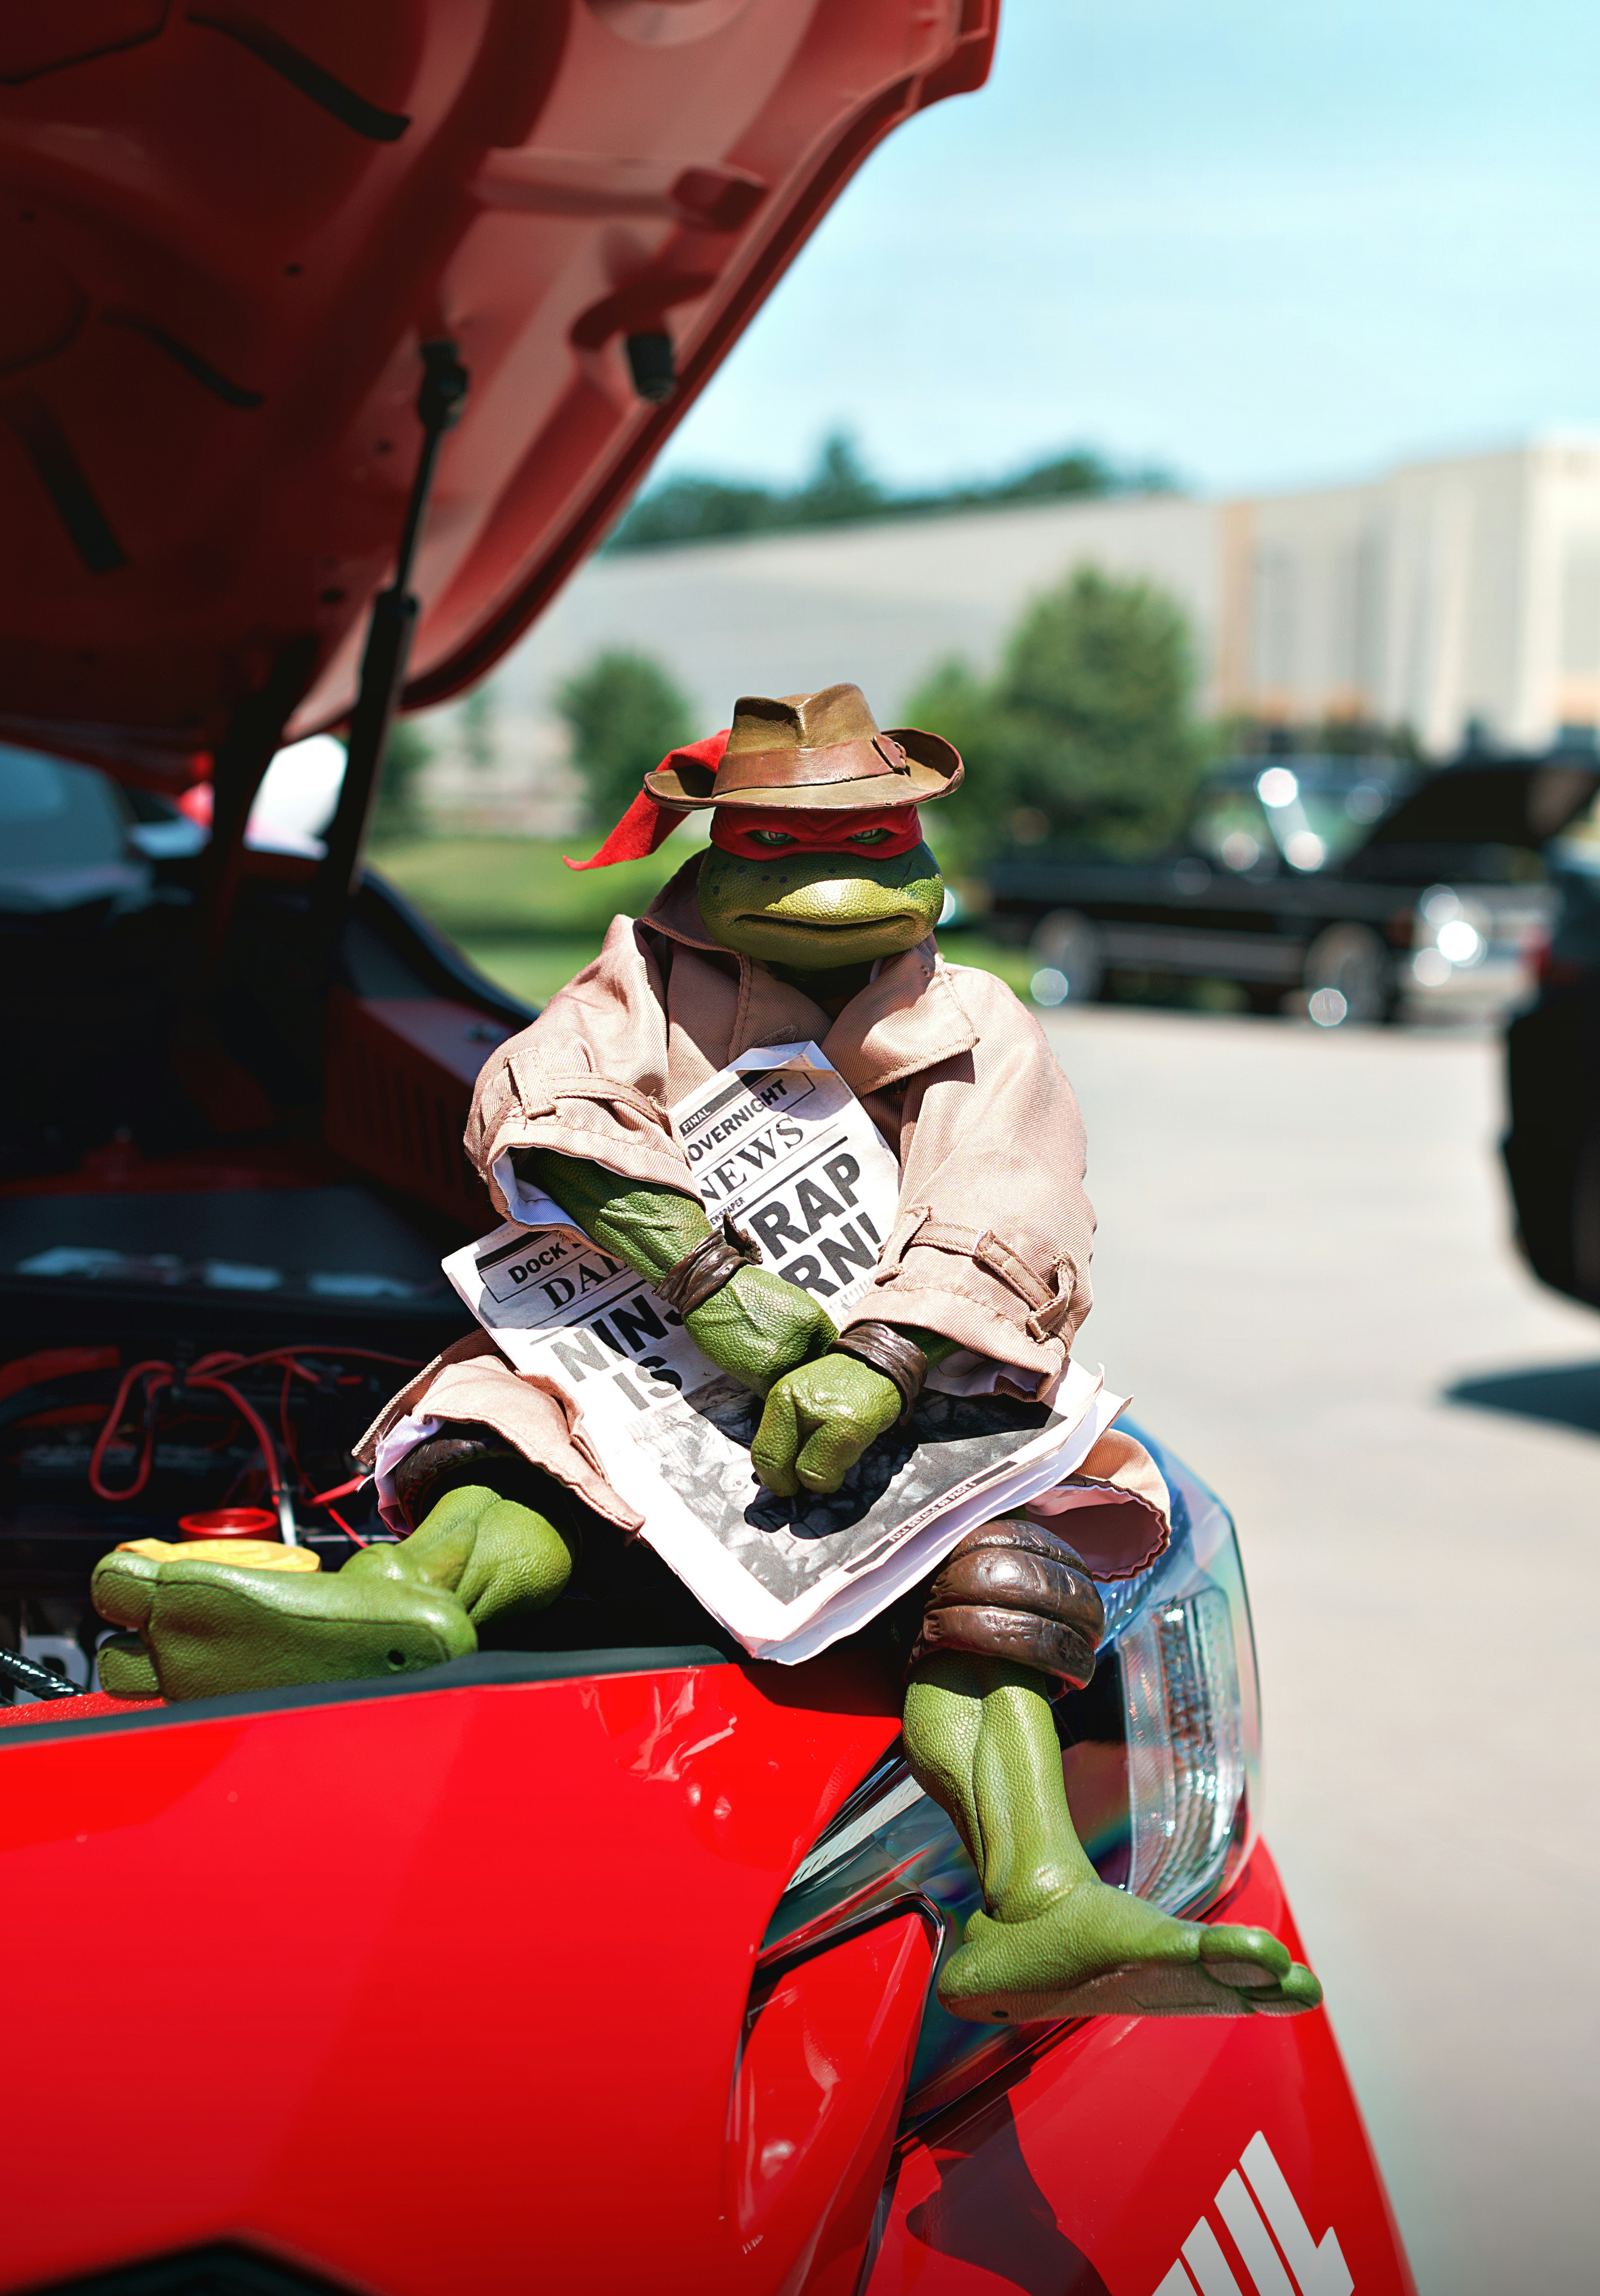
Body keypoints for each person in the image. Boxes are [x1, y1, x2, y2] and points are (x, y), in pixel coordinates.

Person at [95, 685, 1319, 2024]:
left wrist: (887, 1359)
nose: (841, 875)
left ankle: (1035, 1896)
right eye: (790, 846)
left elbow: (1010, 1207)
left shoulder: (983, 1026)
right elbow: (541, 1101)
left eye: (875, 835)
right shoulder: (644, 982)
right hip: (653, 1379)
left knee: (1006, 1582)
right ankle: (395, 1606)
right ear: (720, 851)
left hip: (892, 1418)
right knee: (523, 1451)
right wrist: (706, 1278)